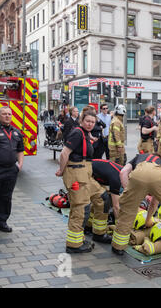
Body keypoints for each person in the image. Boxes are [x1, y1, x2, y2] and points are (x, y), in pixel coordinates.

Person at [111, 153, 161, 259]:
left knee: (128, 210)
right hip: (158, 176)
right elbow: (154, 202)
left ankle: (118, 247)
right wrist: (148, 219)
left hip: (137, 174)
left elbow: (123, 172)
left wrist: (131, 194)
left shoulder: (137, 158)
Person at [55, 108, 113, 253]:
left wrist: (91, 140)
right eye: (87, 121)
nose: (90, 124)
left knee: (103, 198)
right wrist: (61, 171)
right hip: (76, 175)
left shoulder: (85, 133)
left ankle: (99, 233)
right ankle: (74, 245)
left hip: (86, 174)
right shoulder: (76, 133)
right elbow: (64, 154)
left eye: (92, 122)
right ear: (81, 121)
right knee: (81, 208)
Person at [0, 106, 24, 232]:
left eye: (9, 114)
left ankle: (1, 222)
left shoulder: (16, 132)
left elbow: (20, 150)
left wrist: (20, 164)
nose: (7, 116)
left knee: (6, 197)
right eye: (4, 114)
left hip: (11, 170)